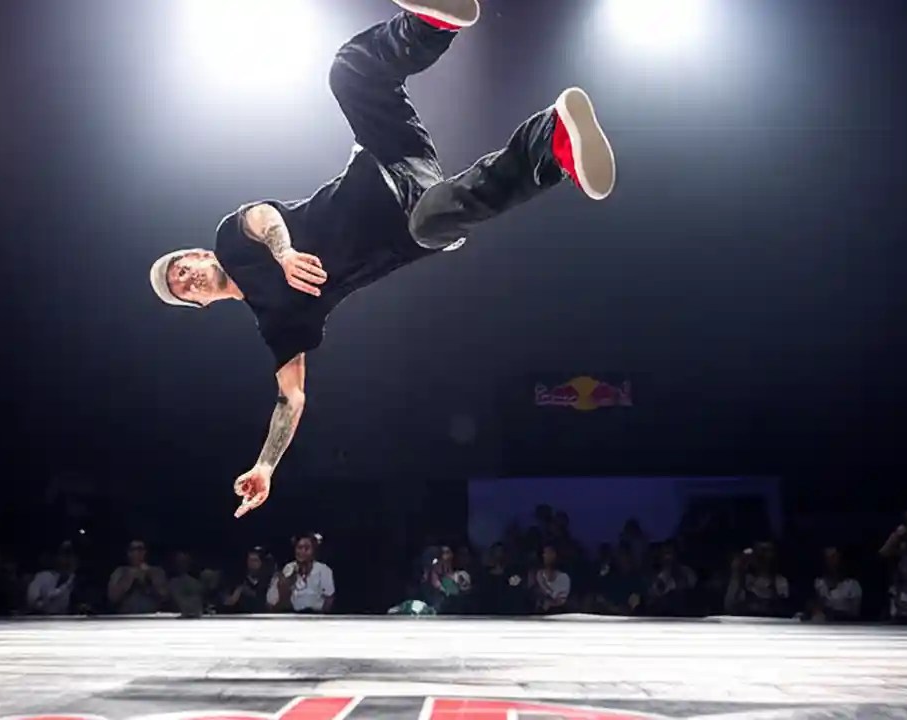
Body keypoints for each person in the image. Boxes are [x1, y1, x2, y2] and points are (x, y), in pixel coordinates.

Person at [148, 0, 616, 518]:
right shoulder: (278, 323)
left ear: (196, 253)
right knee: (448, 216)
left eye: (181, 269)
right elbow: (291, 398)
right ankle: (553, 140)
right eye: (182, 288)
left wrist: (283, 254)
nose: (187, 278)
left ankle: (431, 25)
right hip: (410, 222)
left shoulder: (232, 240)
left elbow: (261, 216)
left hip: (385, 156)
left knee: (348, 72)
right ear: (200, 305)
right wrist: (266, 466)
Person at [268, 534, 336, 613]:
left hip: (315, 615)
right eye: (299, 548)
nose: (302, 552)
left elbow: (329, 599)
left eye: (306, 548)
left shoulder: (323, 570)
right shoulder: (288, 568)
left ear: (314, 551)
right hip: (292, 614)